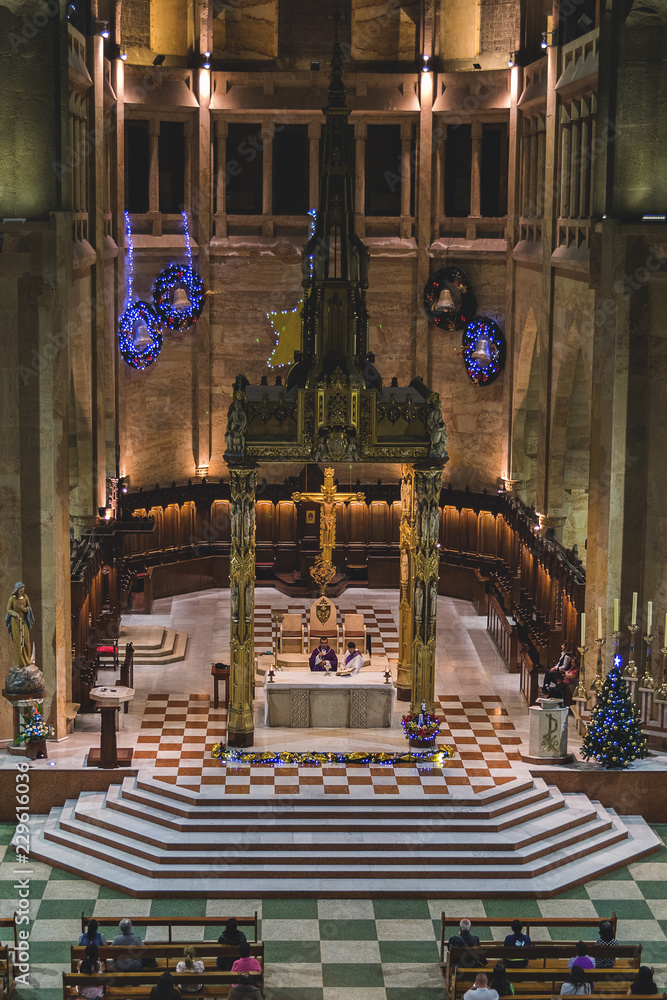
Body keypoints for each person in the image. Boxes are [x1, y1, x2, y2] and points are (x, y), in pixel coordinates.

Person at [5, 582, 35, 667]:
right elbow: (8, 609)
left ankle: (27, 660)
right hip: (15, 621)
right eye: (21, 590)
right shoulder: (12, 598)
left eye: (23, 590)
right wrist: (16, 614)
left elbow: (29, 609)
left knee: (26, 640)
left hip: (23, 620)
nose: (22, 592)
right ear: (17, 590)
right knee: (18, 642)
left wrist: (24, 609)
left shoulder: (25, 597)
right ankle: (20, 663)